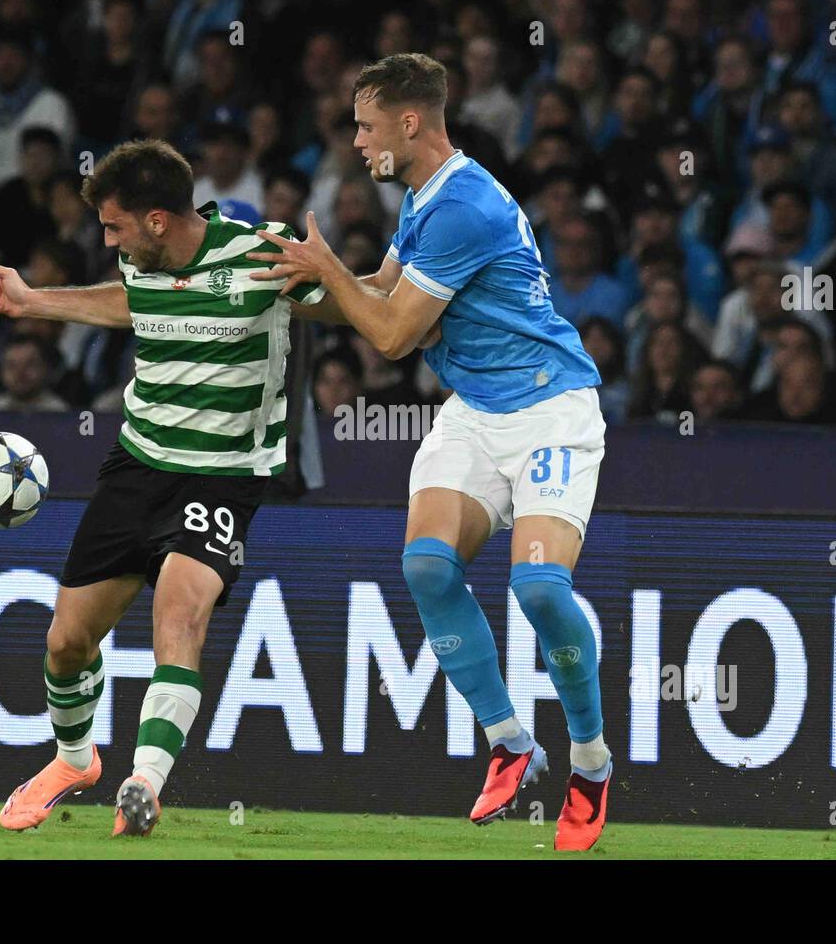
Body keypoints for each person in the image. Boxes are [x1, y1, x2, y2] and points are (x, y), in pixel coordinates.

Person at [249, 53, 611, 851]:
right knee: (426, 566)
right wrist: (284, 286)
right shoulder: (425, 195)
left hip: (550, 409)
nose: (356, 141)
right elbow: (377, 293)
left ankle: (589, 762)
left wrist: (325, 270)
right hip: (476, 411)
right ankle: (511, 742)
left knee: (542, 589)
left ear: (410, 123)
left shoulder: (465, 207)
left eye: (366, 125)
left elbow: (389, 334)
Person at [0, 139, 327, 839]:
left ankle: (145, 781)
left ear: (159, 220)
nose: (108, 240)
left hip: (226, 476)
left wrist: (388, 285)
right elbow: (130, 302)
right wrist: (31, 299)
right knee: (66, 643)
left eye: (114, 226)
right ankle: (75, 761)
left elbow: (353, 303)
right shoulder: (140, 260)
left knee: (179, 613)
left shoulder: (264, 252)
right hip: (137, 466)